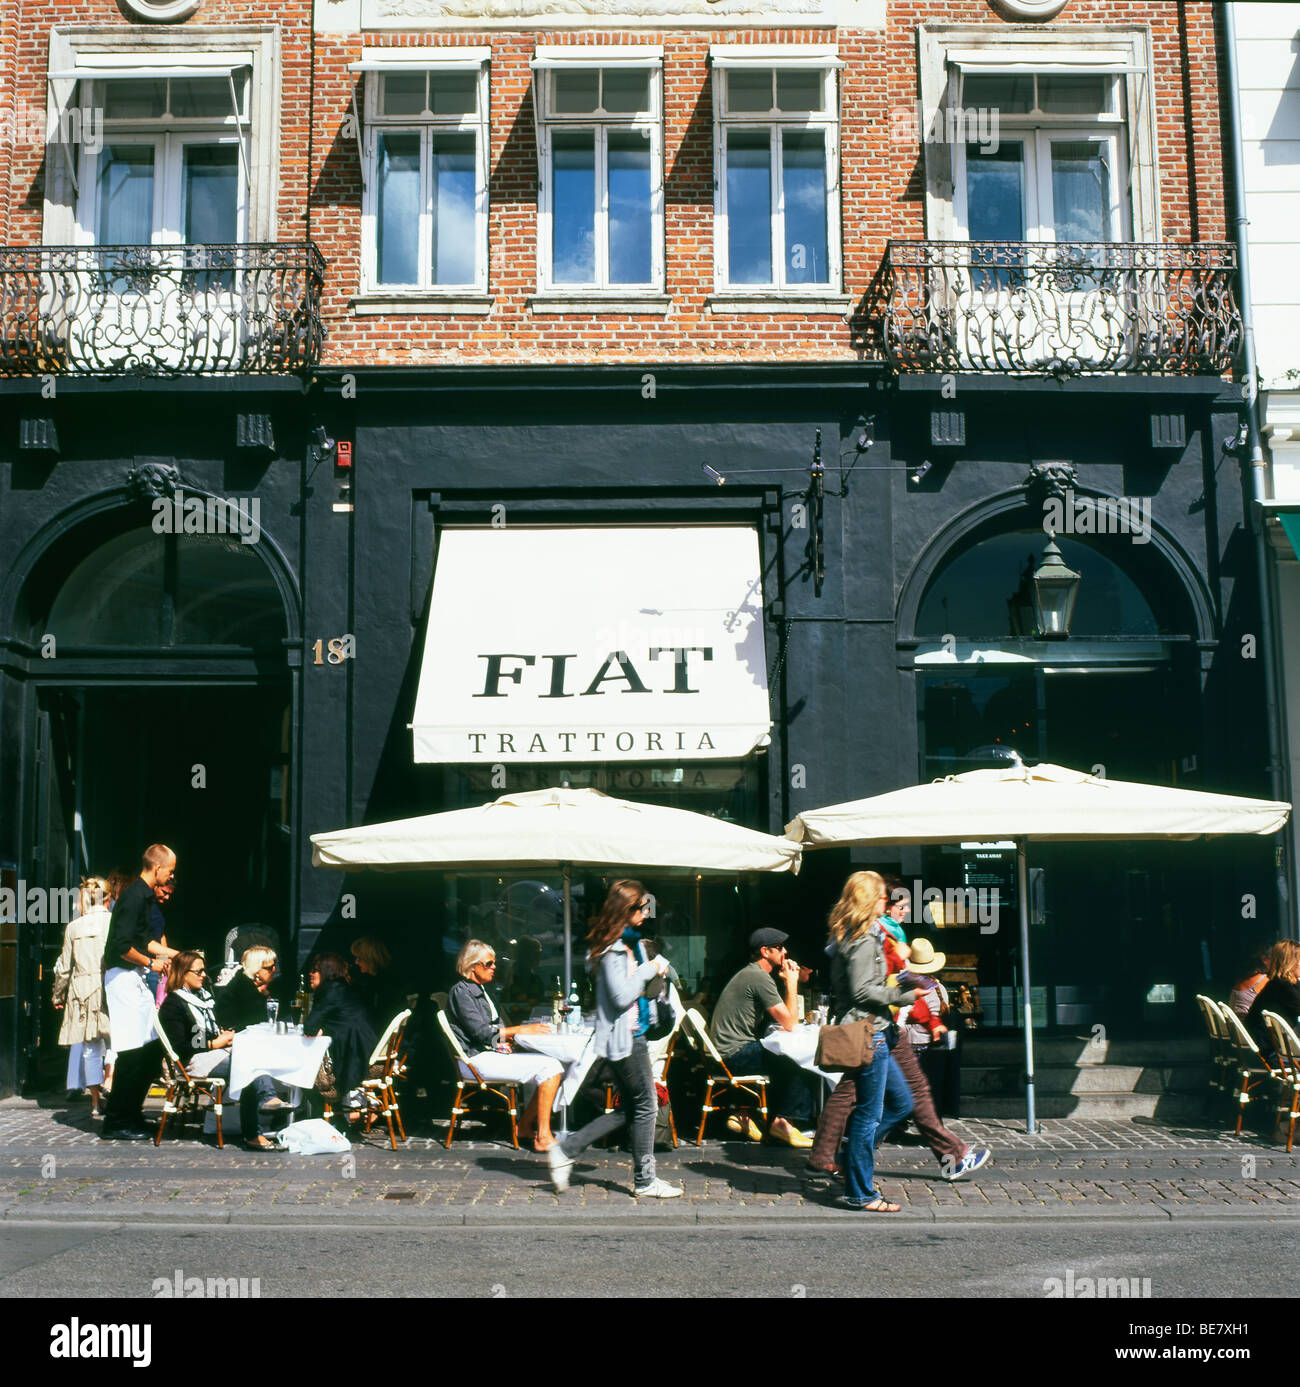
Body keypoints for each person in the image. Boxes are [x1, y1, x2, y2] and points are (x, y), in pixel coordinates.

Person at [547, 881, 682, 1199]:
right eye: (640, 908)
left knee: (635, 1107)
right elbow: (622, 996)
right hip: (626, 1036)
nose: (645, 913)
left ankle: (570, 1149)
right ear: (627, 910)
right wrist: (649, 969)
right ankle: (644, 1179)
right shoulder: (615, 949)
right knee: (646, 1105)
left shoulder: (622, 944)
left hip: (627, 1034)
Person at [826, 870, 918, 1212]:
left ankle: (850, 1162)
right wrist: (904, 995)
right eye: (882, 895)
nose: (887, 900)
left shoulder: (858, 934)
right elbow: (862, 990)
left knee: (901, 1104)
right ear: (869, 899)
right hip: (869, 1033)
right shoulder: (863, 939)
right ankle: (860, 1192)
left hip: (877, 1031)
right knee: (869, 1115)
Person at [157, 952, 287, 1151]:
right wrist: (215, 1043)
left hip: (209, 1053)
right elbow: (182, 1046)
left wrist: (222, 1035)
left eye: (204, 971)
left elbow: (201, 1033)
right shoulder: (175, 1004)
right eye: (198, 971)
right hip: (191, 1061)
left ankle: (264, 1114)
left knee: (251, 1054)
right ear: (183, 974)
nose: (203, 975)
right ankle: (259, 1118)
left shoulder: (201, 998)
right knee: (247, 1065)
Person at [446, 940, 563, 1151]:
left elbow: (491, 1030)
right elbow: (482, 1033)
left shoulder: (481, 990)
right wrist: (521, 1030)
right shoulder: (462, 992)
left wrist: (506, 1042)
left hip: (486, 1053)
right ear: (473, 966)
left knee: (550, 1063)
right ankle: (542, 1135)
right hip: (475, 1060)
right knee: (551, 1067)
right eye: (489, 963)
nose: (494, 967)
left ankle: (526, 1127)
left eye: (494, 963)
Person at [707, 927, 817, 1147]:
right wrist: (792, 982)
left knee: (785, 1056)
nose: (784, 951)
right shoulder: (759, 977)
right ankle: (783, 1122)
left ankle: (748, 1114)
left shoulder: (753, 974)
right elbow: (790, 1022)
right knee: (800, 1060)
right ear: (765, 951)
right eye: (779, 947)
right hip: (733, 1055)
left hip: (725, 1053)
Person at [100, 845, 178, 1141]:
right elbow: (121, 946)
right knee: (133, 1052)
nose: (172, 876)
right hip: (123, 978)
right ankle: (117, 1122)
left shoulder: (143, 897)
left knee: (150, 1048)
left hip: (133, 977)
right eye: (170, 870)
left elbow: (147, 941)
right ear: (157, 868)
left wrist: (180, 956)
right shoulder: (134, 896)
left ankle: (130, 1113)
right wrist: (151, 963)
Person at [52, 877, 113, 1116]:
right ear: (109, 897)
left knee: (90, 1048)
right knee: (117, 1042)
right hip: (108, 986)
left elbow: (64, 968)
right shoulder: (113, 922)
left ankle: (96, 1102)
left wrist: (57, 995)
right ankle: (110, 1084)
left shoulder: (74, 927)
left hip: (81, 991)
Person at [303, 953, 380, 1113]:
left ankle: (329, 1119)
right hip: (368, 1052)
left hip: (359, 1061)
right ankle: (335, 1117)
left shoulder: (330, 991)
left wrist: (321, 1027)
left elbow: (309, 1029)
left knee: (304, 1074)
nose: (310, 974)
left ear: (326, 971)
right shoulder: (343, 988)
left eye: (315, 970)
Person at [1246, 940, 1300, 1054]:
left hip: (1267, 1046)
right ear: (1291, 962)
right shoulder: (1283, 986)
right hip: (1272, 1051)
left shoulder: (1278, 983)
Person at [350, 936, 407, 1031]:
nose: (356, 962)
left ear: (369, 959)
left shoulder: (387, 985)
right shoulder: (375, 981)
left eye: (359, 958)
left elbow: (380, 1019)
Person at [215, 947, 278, 1032]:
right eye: (270, 968)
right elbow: (255, 1021)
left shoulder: (259, 987)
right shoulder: (240, 990)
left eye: (275, 965)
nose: (274, 970)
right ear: (256, 970)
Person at [1230, 949, 1271, 1018]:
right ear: (1264, 960)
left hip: (1235, 1024)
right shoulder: (1264, 980)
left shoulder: (1240, 980)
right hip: (1248, 1026)